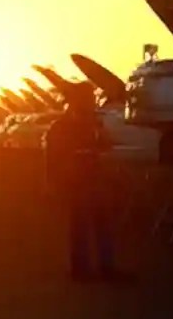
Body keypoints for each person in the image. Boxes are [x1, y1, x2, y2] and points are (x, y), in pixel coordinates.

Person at [45, 81, 123, 282]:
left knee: (101, 223)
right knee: (80, 224)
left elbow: (105, 145)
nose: (91, 103)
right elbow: (53, 157)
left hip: (93, 178)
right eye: (87, 99)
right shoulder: (61, 126)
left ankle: (105, 269)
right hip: (74, 180)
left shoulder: (91, 123)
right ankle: (82, 270)